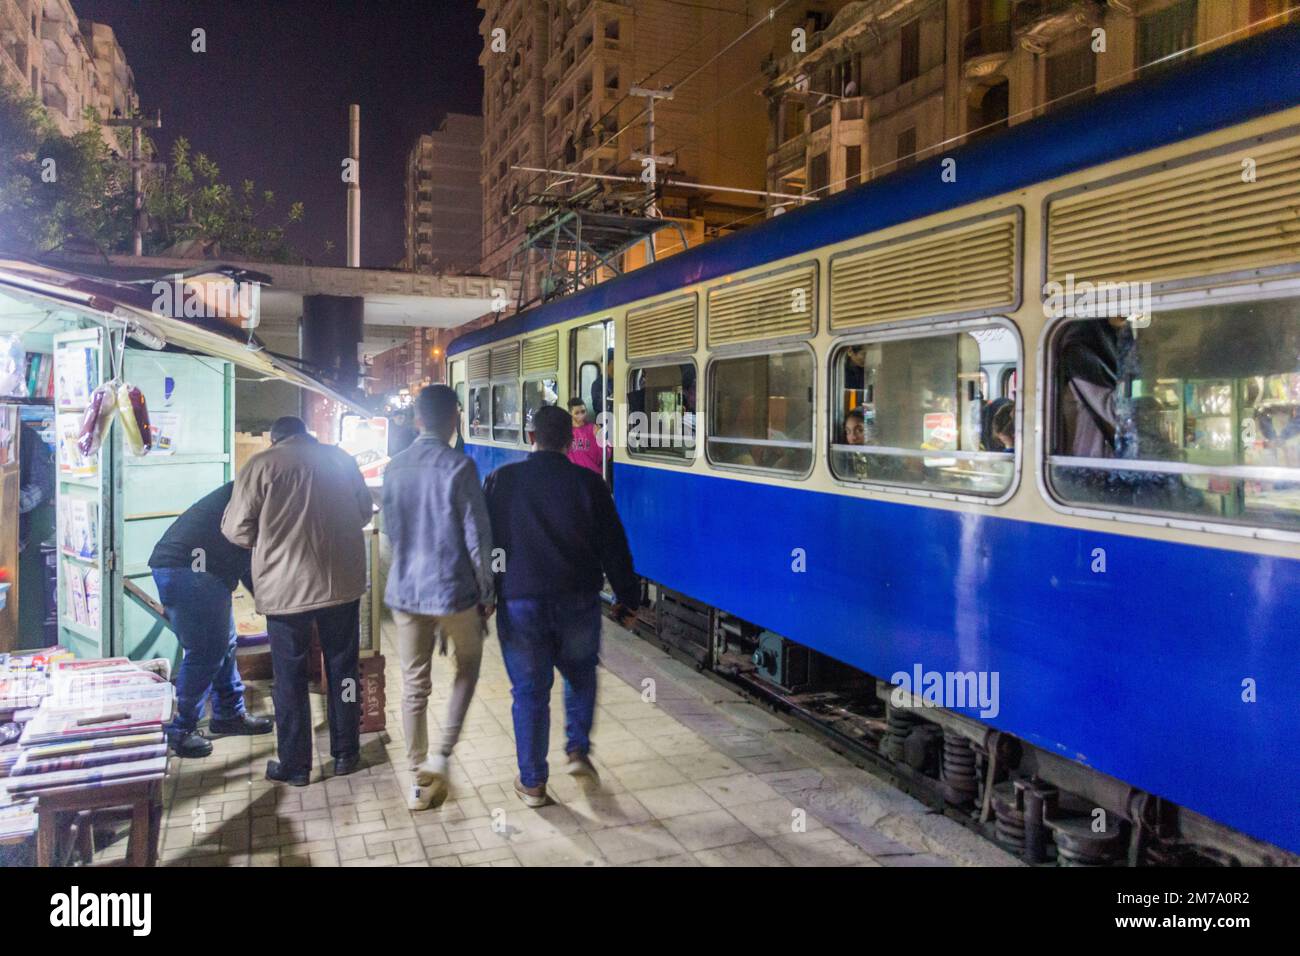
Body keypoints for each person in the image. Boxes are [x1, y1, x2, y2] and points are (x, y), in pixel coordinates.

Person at [483, 405, 639, 808]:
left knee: (530, 691)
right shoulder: (589, 483)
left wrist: (487, 593)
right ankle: (577, 750)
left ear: (531, 438)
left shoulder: (502, 480)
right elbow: (613, 546)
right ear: (571, 441)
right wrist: (627, 596)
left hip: (520, 602)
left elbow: (488, 546)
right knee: (581, 676)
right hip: (578, 599)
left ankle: (533, 783)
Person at [221, 416, 373, 787]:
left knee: (290, 679)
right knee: (343, 670)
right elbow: (365, 511)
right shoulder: (340, 458)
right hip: (341, 584)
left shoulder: (261, 465)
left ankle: (296, 765)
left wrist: (271, 532)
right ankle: (346, 753)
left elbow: (237, 530)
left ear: (276, 439)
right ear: (307, 433)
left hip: (286, 591)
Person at [382, 385, 495, 810]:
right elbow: (477, 538)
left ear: (417, 420)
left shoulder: (395, 468)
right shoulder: (460, 466)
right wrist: (487, 592)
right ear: (455, 420)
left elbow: (391, 534)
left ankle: (418, 780)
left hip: (406, 592)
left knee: (414, 684)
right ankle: (442, 756)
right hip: (452, 593)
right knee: (468, 667)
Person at [149, 482, 273, 758]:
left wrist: (264, 599)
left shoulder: (256, 488)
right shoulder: (264, 495)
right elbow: (255, 554)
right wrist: (268, 603)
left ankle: (229, 713)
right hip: (191, 569)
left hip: (196, 569)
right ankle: (181, 729)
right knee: (206, 651)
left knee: (223, 644)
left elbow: (248, 555)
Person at [566, 397, 605, 476]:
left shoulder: (594, 429)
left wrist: (600, 438)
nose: (581, 415)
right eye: (577, 413)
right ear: (570, 413)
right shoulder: (566, 432)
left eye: (583, 412)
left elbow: (605, 455)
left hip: (592, 475)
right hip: (573, 477)